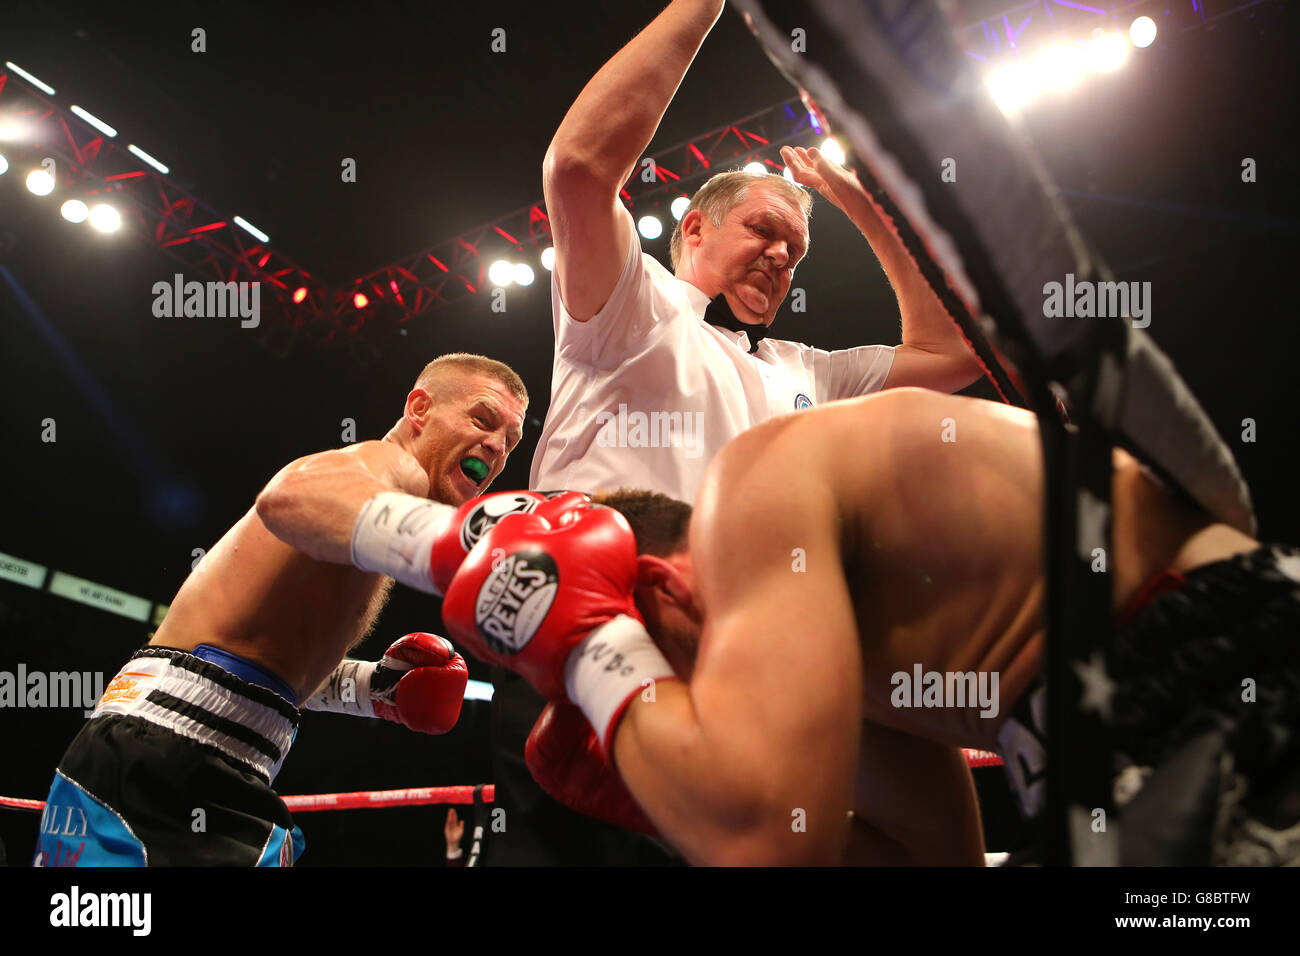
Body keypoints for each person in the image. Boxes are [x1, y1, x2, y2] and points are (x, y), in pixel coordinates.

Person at [441, 387, 1297, 865]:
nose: (688, 711)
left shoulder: (754, 485)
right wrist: (667, 808)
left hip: (1210, 671)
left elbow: (765, 847)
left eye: (646, 668)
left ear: (659, 589)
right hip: (1118, 737)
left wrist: (596, 654)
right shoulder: (834, 652)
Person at [514, 0, 984, 865]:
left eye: (796, 250)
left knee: (937, 848)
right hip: (630, 628)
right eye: (762, 229)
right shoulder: (634, 305)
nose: (780, 255)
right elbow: (578, 165)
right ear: (694, 227)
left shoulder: (798, 370)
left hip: (774, 644)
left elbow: (949, 352)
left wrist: (861, 203)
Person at [32, 353, 525, 866]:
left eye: (510, 442)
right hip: (166, 758)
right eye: (482, 419)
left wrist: (374, 689)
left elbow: (269, 665)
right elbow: (287, 495)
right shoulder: (388, 467)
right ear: (420, 408)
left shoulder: (374, 517)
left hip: (200, 755)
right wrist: (454, 547)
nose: (495, 447)